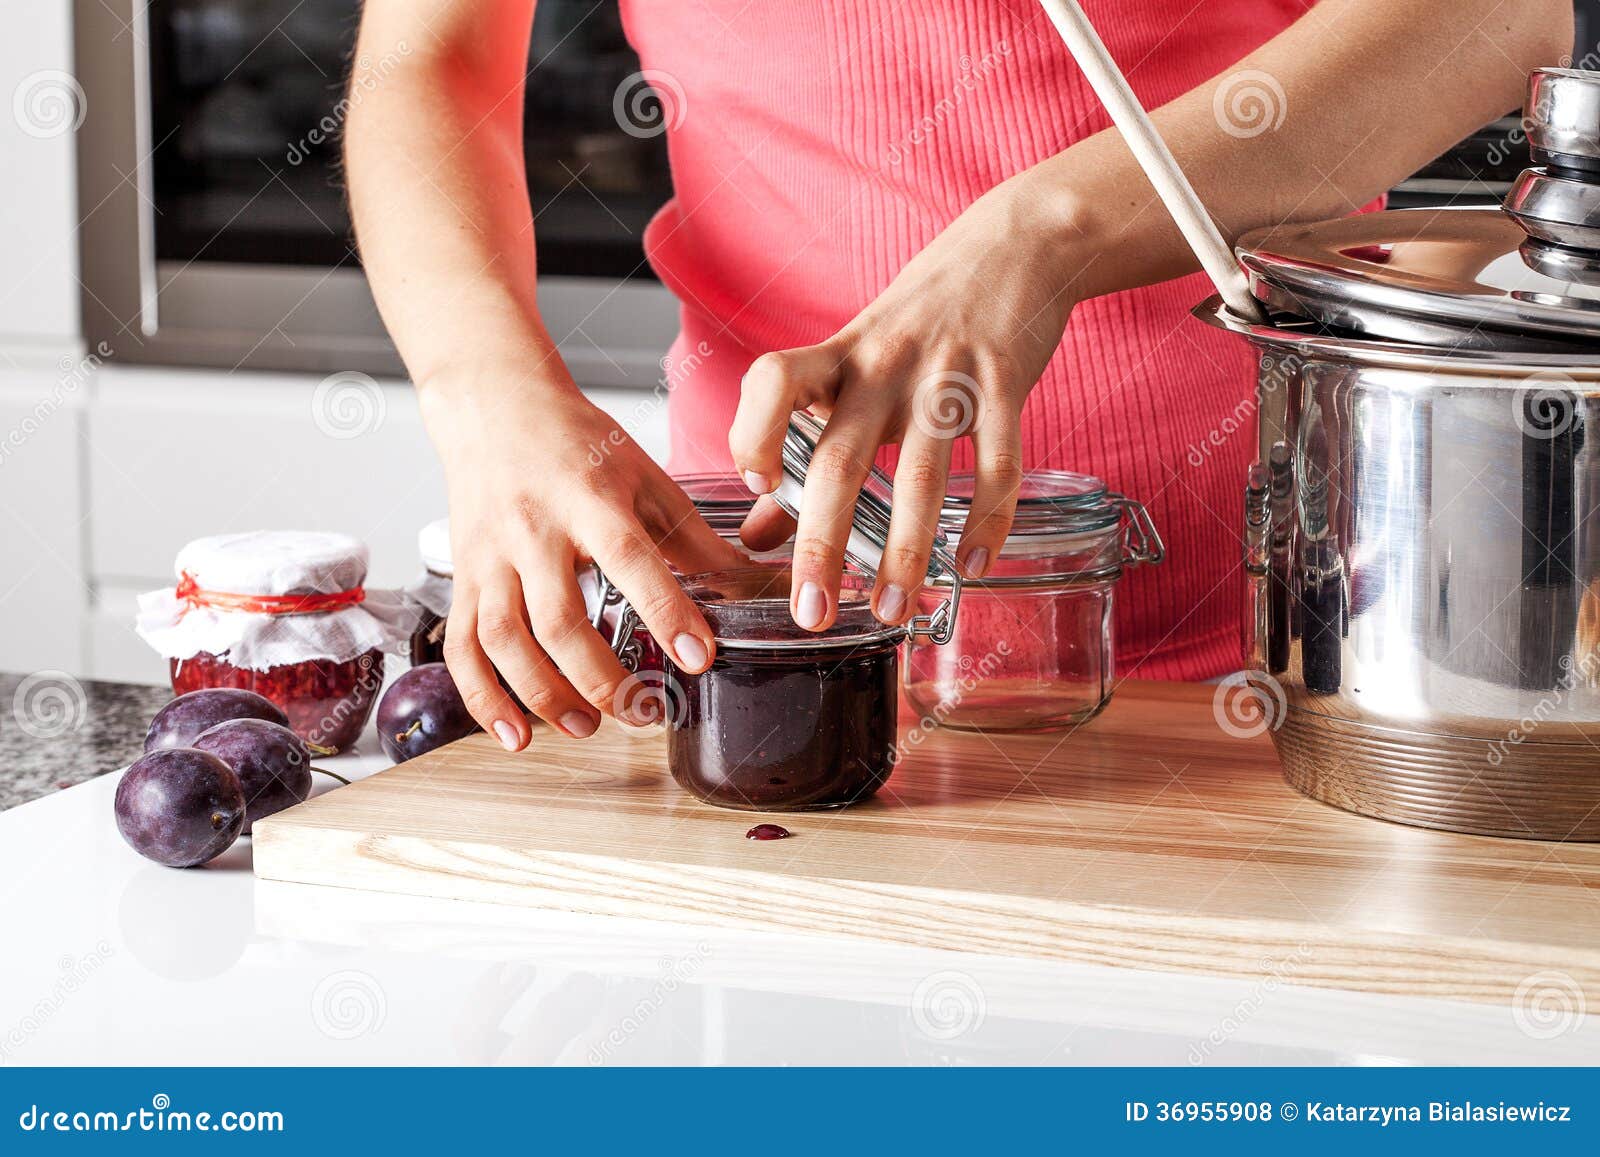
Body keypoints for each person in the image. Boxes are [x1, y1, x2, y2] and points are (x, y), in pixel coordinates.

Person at [345, 0, 1569, 749]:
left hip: (1274, 639)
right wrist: (483, 392)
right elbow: (430, 64)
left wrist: (1045, 231)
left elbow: (1492, 11)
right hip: (765, 614)